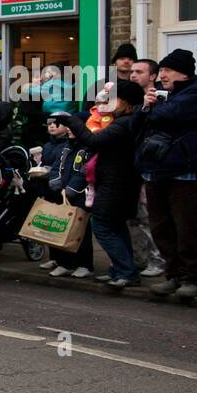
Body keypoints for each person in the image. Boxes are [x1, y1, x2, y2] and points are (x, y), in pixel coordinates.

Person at [134, 48, 197, 299]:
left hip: (185, 173)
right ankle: (174, 275)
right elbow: (136, 126)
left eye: (168, 70)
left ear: (183, 73)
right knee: (161, 228)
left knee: (186, 229)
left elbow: (172, 115)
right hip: (156, 171)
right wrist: (145, 107)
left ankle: (194, 278)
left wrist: (154, 106)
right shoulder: (161, 96)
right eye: (162, 71)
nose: (163, 75)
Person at [62, 81, 145, 288]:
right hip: (118, 180)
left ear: (125, 102)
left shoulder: (123, 124)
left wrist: (72, 121)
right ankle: (122, 270)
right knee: (116, 225)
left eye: (114, 98)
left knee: (102, 225)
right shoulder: (125, 121)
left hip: (116, 182)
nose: (108, 102)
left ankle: (125, 270)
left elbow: (93, 141)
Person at [36, 110, 94, 278]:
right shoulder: (68, 145)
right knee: (60, 226)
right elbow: (59, 166)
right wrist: (56, 181)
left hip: (79, 194)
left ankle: (84, 264)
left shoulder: (86, 146)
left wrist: (72, 189)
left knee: (80, 230)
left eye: (72, 125)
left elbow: (84, 171)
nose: (69, 129)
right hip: (61, 192)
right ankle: (65, 262)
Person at [123, 59, 166, 277]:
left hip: (153, 165)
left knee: (149, 216)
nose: (133, 75)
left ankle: (158, 260)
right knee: (135, 216)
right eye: (132, 72)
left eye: (139, 71)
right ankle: (141, 259)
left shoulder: (161, 98)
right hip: (135, 164)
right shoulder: (134, 99)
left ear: (153, 76)